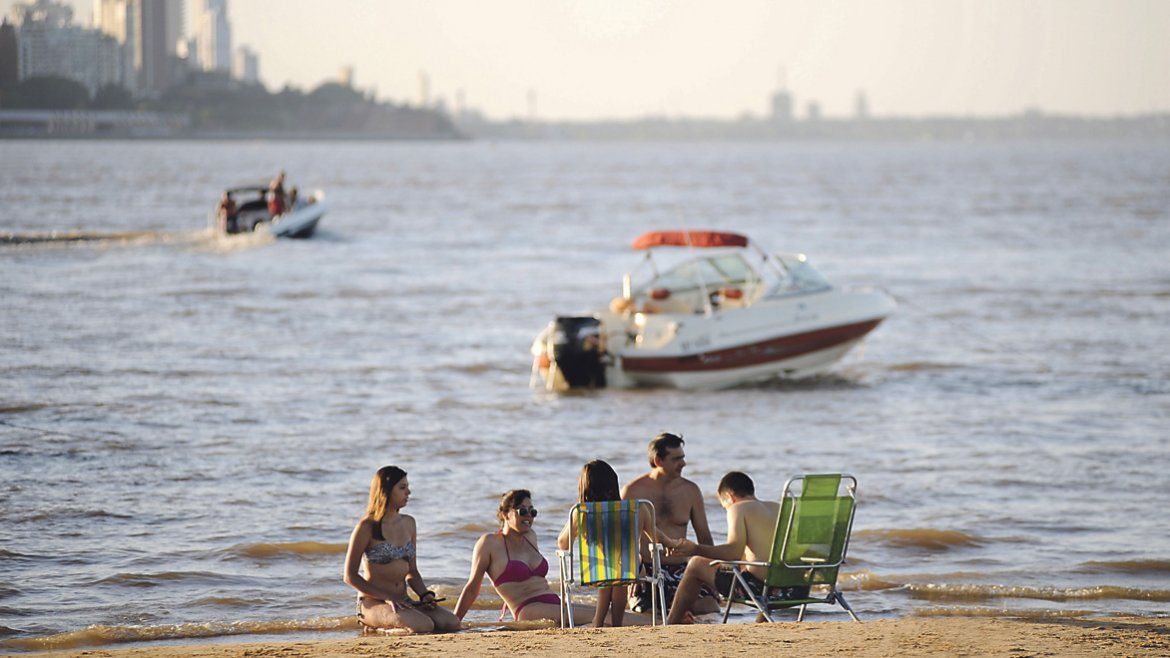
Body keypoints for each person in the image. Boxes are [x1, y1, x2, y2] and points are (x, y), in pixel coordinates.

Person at [666, 471, 810, 624]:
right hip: (796, 588)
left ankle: (671, 622)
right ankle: (761, 624)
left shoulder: (738, 508)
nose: (727, 509)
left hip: (765, 590)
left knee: (696, 564)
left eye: (724, 506)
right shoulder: (777, 508)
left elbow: (733, 552)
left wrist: (695, 548)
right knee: (761, 569)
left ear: (729, 496)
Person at [556, 460, 678, 627]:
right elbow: (656, 536)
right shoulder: (637, 508)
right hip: (629, 570)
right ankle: (616, 623)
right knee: (620, 571)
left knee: (609, 570)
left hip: (595, 570)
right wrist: (671, 543)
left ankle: (597, 621)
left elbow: (563, 543)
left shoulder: (580, 512)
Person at [343, 466, 461, 634]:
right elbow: (350, 576)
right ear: (386, 491)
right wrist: (387, 597)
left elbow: (412, 571)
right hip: (373, 602)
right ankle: (376, 629)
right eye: (402, 487)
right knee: (424, 626)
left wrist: (424, 594)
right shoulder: (367, 527)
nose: (409, 492)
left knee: (451, 622)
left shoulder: (409, 523)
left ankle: (402, 621)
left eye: (407, 487)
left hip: (403, 600)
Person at [455, 489, 598, 625]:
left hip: (554, 603)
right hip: (527, 609)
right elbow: (472, 588)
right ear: (506, 514)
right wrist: (454, 620)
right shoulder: (489, 543)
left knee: (605, 613)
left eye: (532, 511)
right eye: (522, 511)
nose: (528, 516)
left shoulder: (530, 536)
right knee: (601, 616)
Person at [621, 432, 717, 616]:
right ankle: (677, 613)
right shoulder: (632, 491)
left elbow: (704, 537)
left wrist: (711, 575)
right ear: (658, 461)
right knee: (647, 612)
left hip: (682, 570)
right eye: (676, 459)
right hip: (647, 570)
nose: (683, 463)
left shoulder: (690, 491)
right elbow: (624, 541)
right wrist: (633, 572)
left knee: (709, 608)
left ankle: (679, 612)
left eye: (683, 457)